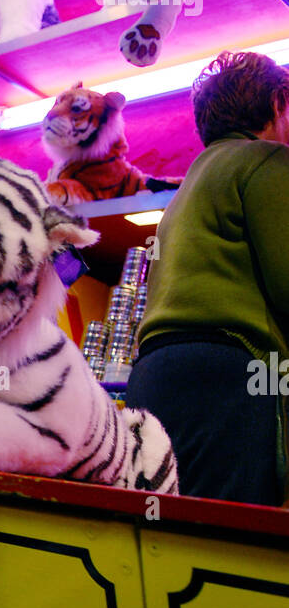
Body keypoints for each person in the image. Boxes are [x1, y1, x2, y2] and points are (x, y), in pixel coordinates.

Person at [125, 50, 289, 506]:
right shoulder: (266, 160)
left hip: (152, 377)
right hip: (229, 375)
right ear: (278, 103)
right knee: (237, 540)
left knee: (178, 537)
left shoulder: (188, 186)